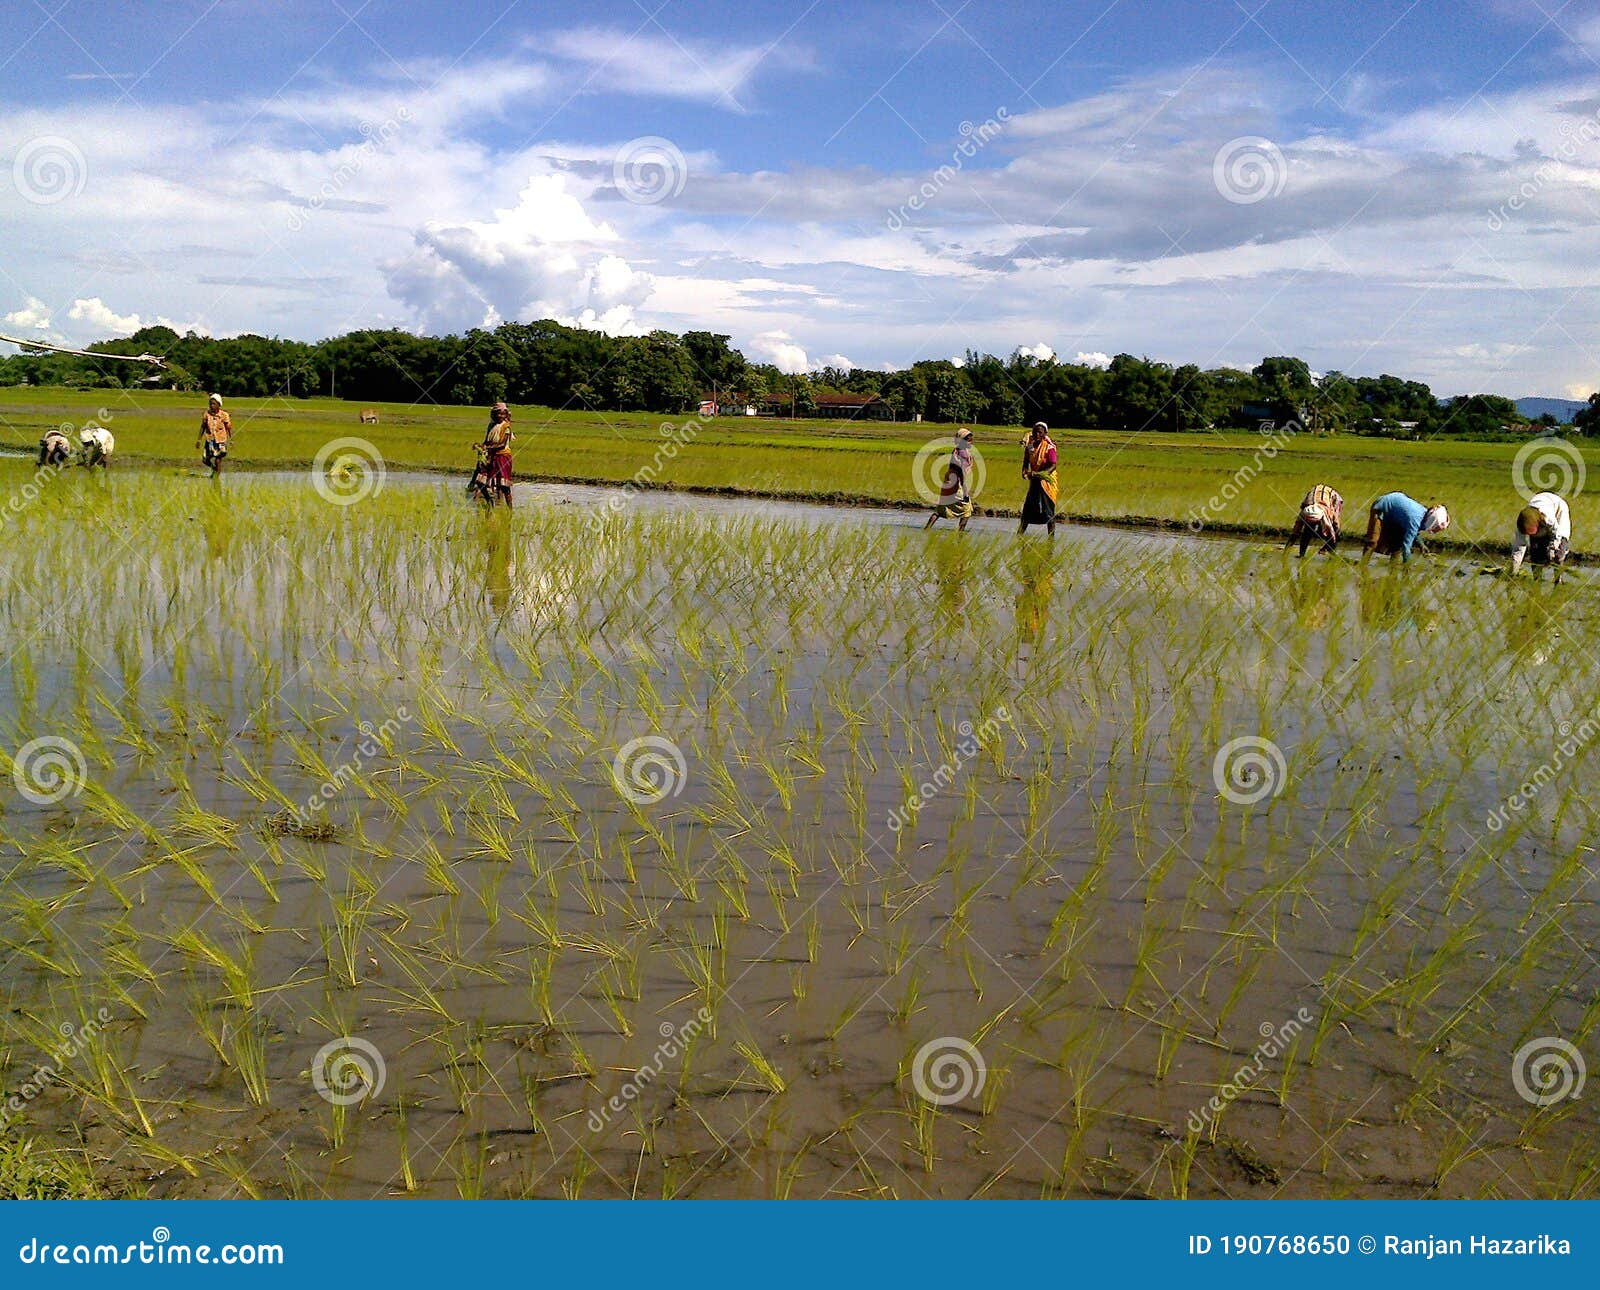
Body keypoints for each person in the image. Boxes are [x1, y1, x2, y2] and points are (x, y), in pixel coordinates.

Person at [1363, 492, 1448, 562]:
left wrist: (1421, 545)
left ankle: (1393, 565)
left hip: (1396, 513)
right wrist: (1407, 566)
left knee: (1397, 546)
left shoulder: (1423, 513)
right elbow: (1406, 547)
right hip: (1382, 506)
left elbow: (1414, 532)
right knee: (1373, 541)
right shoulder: (1415, 520)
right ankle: (1363, 563)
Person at [924, 427, 976, 531]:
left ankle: (926, 530)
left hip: (949, 484)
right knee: (966, 511)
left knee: (940, 510)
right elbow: (962, 473)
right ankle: (960, 537)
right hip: (958, 485)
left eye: (971, 439)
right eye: (968, 440)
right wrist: (965, 492)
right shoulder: (963, 453)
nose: (971, 442)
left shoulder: (956, 450)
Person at [1510, 491, 1571, 579]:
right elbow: (1518, 548)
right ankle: (1537, 579)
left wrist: (1552, 549)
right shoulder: (1522, 524)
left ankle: (1558, 580)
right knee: (1535, 554)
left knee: (1558, 553)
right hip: (1538, 518)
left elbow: (1557, 533)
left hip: (1558, 510)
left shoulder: (1548, 517)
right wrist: (1514, 570)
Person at [1018, 421, 1058, 536]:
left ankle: (1051, 538)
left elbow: (1053, 465)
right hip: (1035, 480)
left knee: (1048, 510)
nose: (1037, 434)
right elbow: (1026, 462)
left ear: (1045, 433)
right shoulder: (1030, 446)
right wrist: (1024, 471)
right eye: (1035, 432)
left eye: (1040, 432)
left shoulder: (1049, 447)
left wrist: (1041, 474)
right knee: (1028, 508)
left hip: (1047, 482)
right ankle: (1020, 534)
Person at [1284, 484, 1343, 557]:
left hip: (1333, 498)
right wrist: (1285, 553)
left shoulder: (1328, 513)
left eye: (1315, 522)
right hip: (1313, 495)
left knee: (1334, 527)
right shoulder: (1304, 512)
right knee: (1307, 531)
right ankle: (1302, 554)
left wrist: (1334, 538)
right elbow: (1295, 533)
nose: (1314, 525)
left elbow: (1335, 528)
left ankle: (1331, 552)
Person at [474, 401, 514, 507]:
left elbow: (502, 444)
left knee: (504, 486)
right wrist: (480, 446)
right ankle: (490, 501)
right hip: (491, 457)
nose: (499, 416)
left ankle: (510, 509)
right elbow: (487, 441)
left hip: (502, 457)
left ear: (505, 415)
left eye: (502, 414)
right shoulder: (491, 425)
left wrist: (488, 447)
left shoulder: (506, 427)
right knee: (480, 481)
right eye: (497, 413)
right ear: (493, 414)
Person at [197, 394, 232, 477]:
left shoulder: (224, 415)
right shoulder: (207, 414)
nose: (211, 406)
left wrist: (231, 439)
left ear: (219, 405)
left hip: (220, 440)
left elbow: (228, 428)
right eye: (210, 404)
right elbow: (203, 427)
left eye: (214, 404)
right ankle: (214, 469)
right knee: (205, 459)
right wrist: (199, 439)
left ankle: (216, 478)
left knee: (218, 459)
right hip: (210, 440)